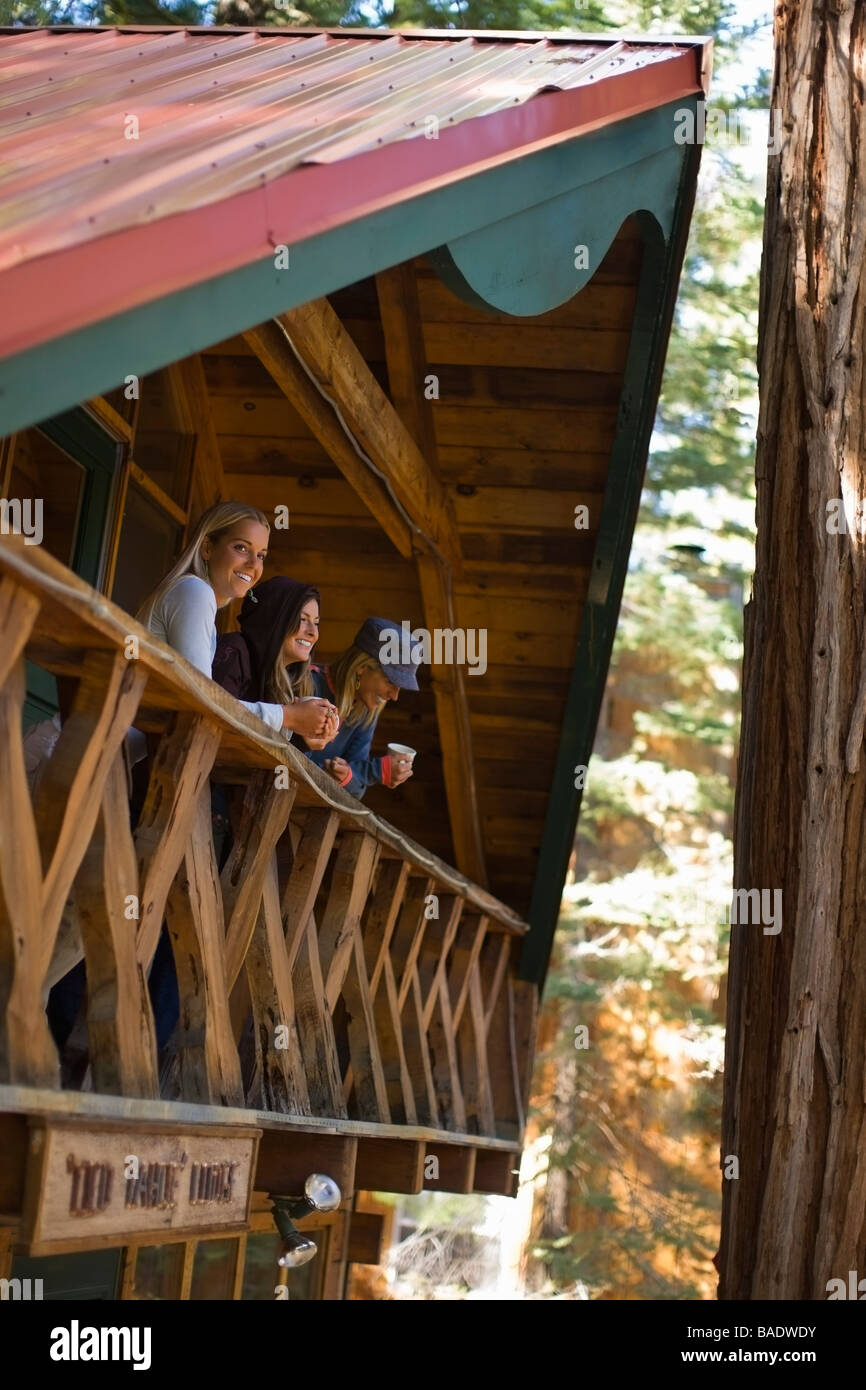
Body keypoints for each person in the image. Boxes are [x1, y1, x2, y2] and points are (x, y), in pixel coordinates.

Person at [138, 501, 336, 743]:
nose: (254, 565)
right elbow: (201, 702)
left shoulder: (198, 600)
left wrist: (300, 727)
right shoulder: (195, 591)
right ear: (207, 548)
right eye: (242, 548)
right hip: (121, 746)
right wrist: (288, 716)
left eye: (261, 555)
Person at [303, 617, 422, 799]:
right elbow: (288, 758)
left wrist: (354, 776)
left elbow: (357, 790)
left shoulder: (365, 711)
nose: (395, 696)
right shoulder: (309, 684)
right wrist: (373, 772)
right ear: (361, 667)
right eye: (391, 682)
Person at [212, 576, 336, 752]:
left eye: (316, 623)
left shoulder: (289, 681)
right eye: (302, 619)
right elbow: (215, 716)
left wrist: (304, 740)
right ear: (275, 618)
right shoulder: (235, 652)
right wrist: (290, 716)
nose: (313, 633)